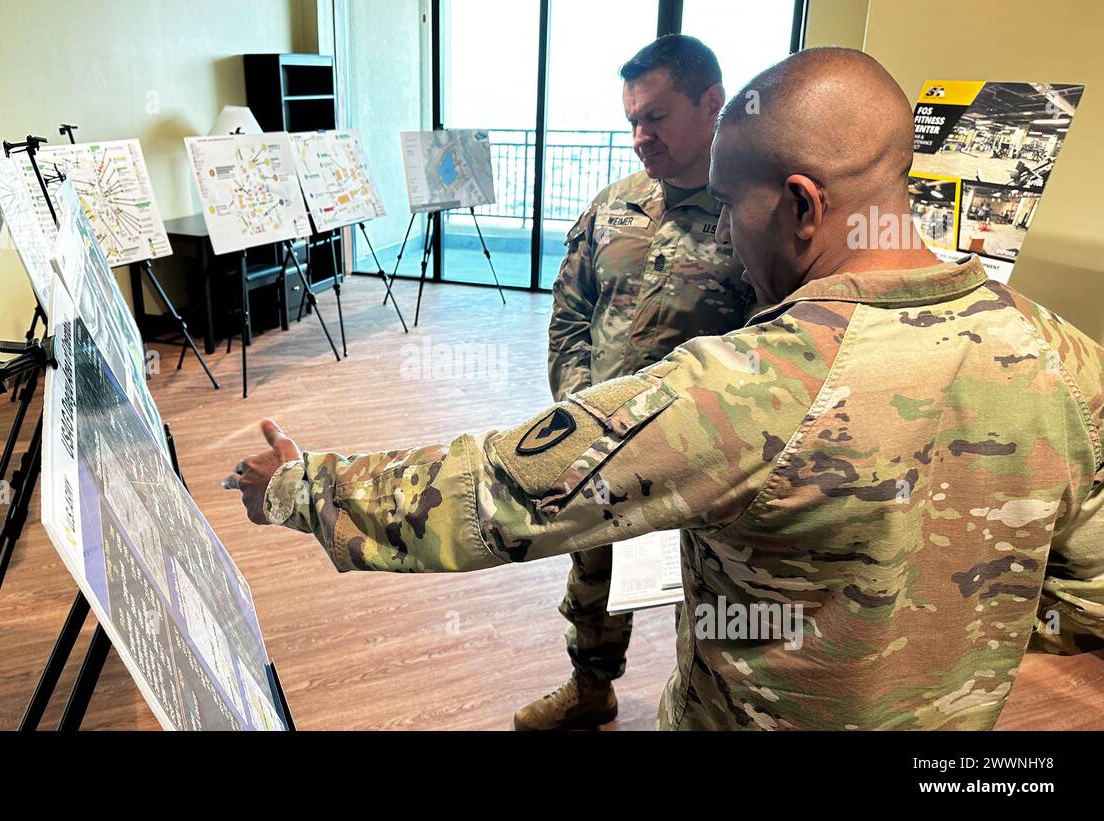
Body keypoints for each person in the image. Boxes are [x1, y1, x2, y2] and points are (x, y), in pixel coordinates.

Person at [233, 48, 1104, 730]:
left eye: (731, 205)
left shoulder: (756, 387)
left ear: (803, 205)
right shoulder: (1066, 356)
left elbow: (499, 493)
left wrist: (304, 487)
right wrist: (947, 629)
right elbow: (1083, 595)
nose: (722, 226)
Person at [530, 34, 752, 730]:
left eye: (654, 117)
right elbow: (570, 312)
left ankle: (694, 707)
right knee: (591, 568)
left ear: (711, 103)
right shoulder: (615, 204)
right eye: (630, 120)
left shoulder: (755, 214)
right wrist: (574, 407)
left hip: (705, 452)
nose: (638, 137)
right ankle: (589, 686)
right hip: (602, 440)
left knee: (708, 591)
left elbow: (777, 339)